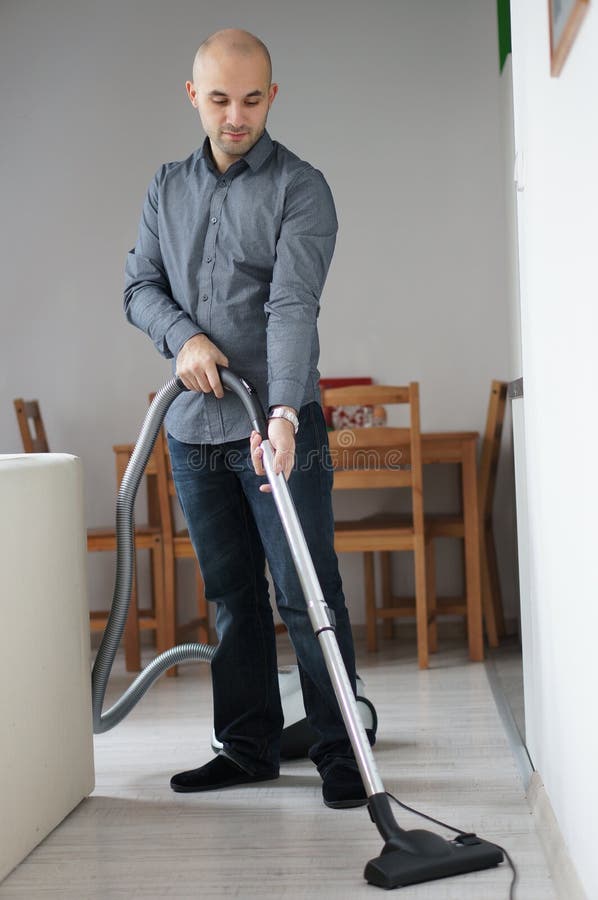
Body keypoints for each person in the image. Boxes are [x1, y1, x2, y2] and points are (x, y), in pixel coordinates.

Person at [124, 28, 368, 809]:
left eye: (252, 99)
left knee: (306, 589)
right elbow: (139, 287)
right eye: (220, 98)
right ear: (193, 96)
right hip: (194, 429)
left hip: (278, 428)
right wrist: (182, 336)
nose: (236, 116)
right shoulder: (166, 187)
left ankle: (342, 752)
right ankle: (248, 746)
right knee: (232, 594)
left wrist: (289, 412)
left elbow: (292, 305)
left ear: (272, 96)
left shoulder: (302, 188)